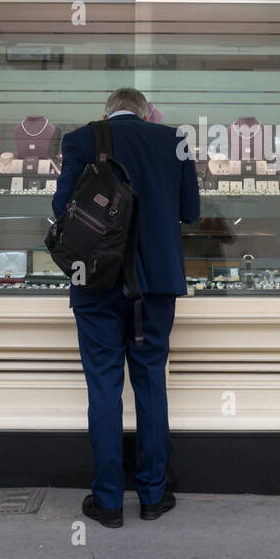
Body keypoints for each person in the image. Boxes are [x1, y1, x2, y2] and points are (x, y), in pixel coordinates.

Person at [52, 87, 200, 528]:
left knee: (103, 387)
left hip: (96, 282)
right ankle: (153, 496)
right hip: (155, 282)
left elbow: (62, 208)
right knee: (151, 383)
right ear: (146, 113)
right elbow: (190, 212)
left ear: (106, 112)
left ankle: (109, 501)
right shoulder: (174, 140)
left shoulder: (81, 139)